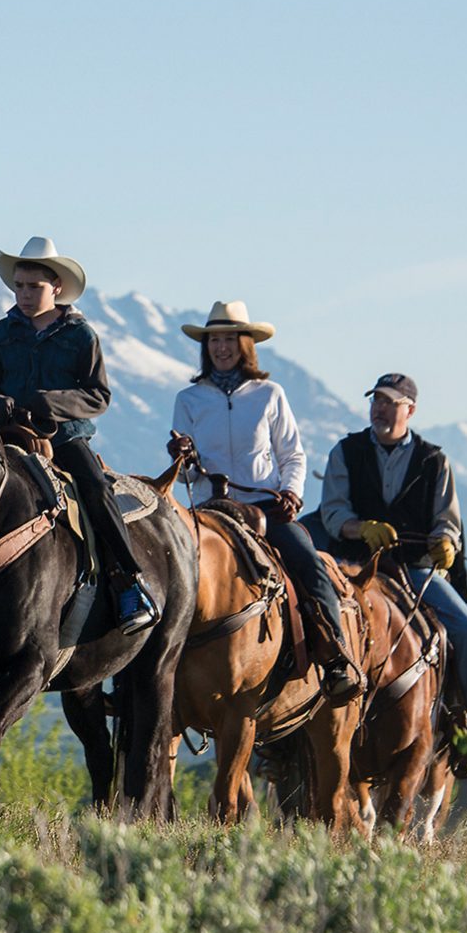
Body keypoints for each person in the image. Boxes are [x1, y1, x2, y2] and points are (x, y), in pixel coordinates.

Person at [0, 236, 160, 640]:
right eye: (19, 285)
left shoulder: (80, 336)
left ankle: (129, 584)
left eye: (33, 286)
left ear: (56, 287)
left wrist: (49, 403)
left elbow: (98, 395)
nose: (24, 293)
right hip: (7, 437)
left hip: (66, 439)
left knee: (95, 490)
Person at [167, 301, 363, 703]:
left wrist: (291, 492)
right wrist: (181, 458)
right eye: (214, 340)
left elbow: (293, 454)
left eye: (229, 339)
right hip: (209, 511)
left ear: (245, 344)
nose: (221, 347)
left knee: (308, 562)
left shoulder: (269, 394)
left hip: (265, 508)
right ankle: (138, 671)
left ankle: (335, 657)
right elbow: (186, 475)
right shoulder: (189, 400)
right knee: (160, 566)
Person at [318, 373, 467, 730]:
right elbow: (333, 513)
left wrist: (445, 542)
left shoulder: (434, 461)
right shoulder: (345, 452)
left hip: (412, 569)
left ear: (410, 410)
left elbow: (447, 519)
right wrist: (361, 528)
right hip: (352, 565)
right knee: (306, 617)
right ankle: (281, 727)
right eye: (375, 401)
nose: (379, 409)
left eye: (389, 403)